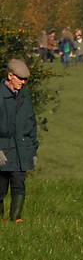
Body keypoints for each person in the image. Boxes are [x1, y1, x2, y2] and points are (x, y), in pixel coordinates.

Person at [0, 59, 39, 223]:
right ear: (10, 76)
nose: (23, 82)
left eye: (25, 80)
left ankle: (16, 219)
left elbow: (31, 124)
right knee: (0, 188)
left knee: (19, 184)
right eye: (20, 79)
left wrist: (33, 150)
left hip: (21, 150)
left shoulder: (25, 96)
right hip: (3, 150)